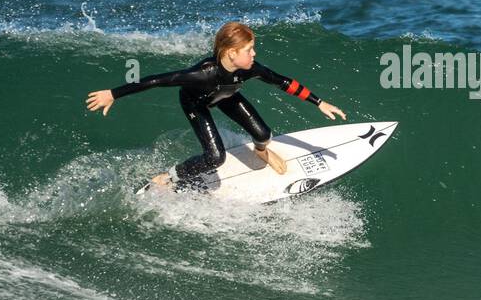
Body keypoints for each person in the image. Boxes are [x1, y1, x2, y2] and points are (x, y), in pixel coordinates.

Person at [85, 22, 346, 192]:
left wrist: (319, 102)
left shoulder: (249, 69)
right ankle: (168, 177)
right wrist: (113, 93)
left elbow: (283, 82)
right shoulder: (203, 74)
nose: (254, 54)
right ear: (231, 52)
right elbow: (157, 80)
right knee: (215, 158)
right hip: (196, 103)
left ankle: (261, 151)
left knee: (264, 135)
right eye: (249, 50)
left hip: (226, 96)